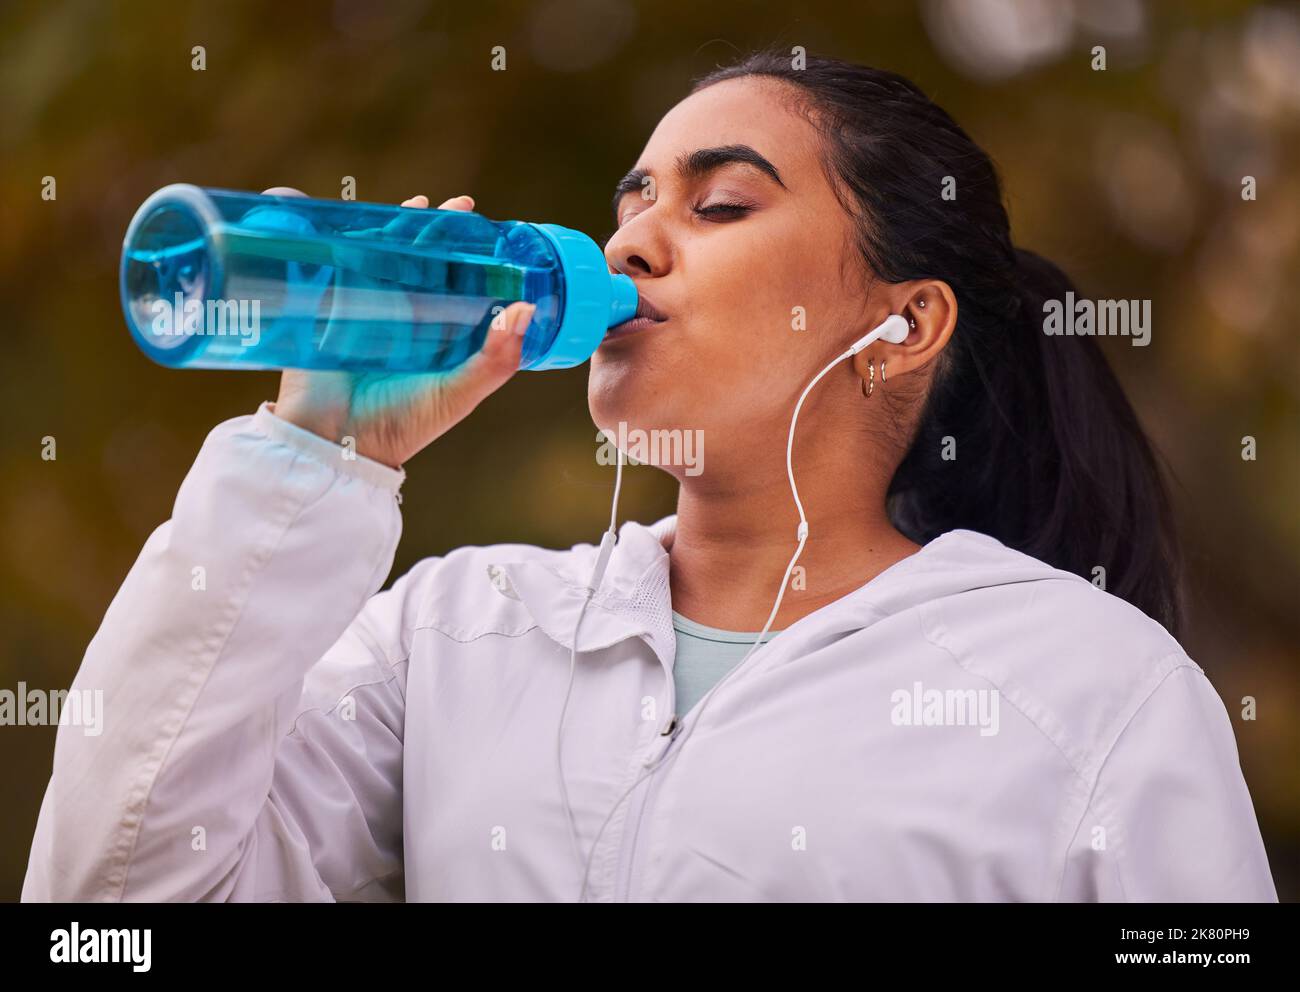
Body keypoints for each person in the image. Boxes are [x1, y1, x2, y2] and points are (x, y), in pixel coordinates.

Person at [24, 50, 1276, 902]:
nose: (630, 238)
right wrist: (311, 460)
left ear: (903, 327)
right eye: (630, 201)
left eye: (720, 204)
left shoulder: (1089, 689)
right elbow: (117, 904)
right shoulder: (455, 636)